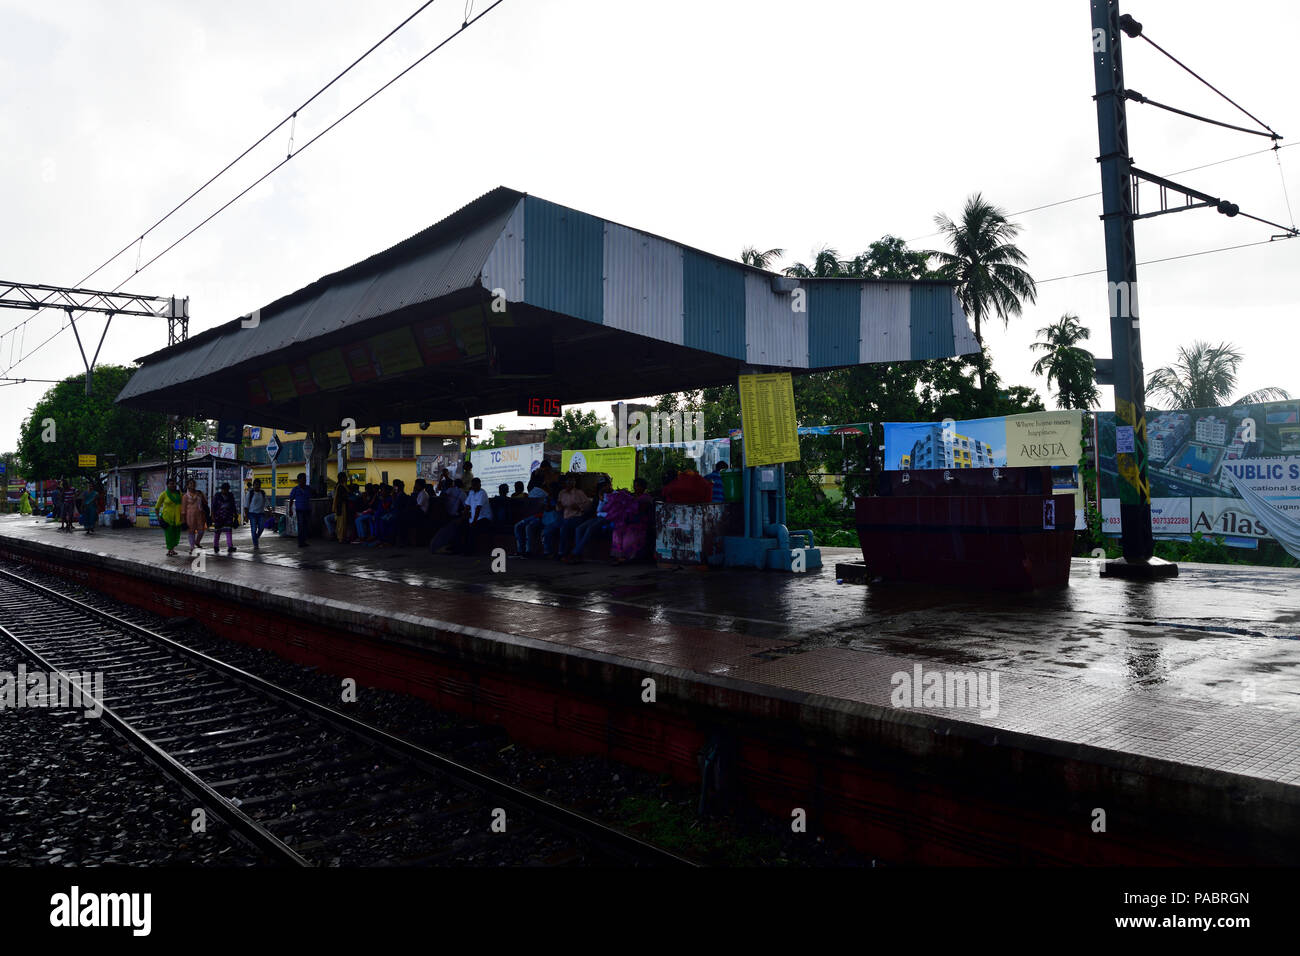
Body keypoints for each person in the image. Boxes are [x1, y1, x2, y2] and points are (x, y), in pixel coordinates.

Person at [566, 480, 614, 563]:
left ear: (609, 485)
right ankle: (579, 553)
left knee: (590, 528)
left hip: (608, 518)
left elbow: (610, 513)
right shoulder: (601, 495)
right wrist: (601, 499)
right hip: (599, 517)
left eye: (605, 486)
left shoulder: (615, 495)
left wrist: (600, 511)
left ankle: (575, 553)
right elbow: (597, 510)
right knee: (579, 529)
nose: (604, 488)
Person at [608, 477, 654, 564]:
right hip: (628, 521)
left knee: (629, 533)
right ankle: (618, 555)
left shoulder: (646, 498)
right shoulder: (631, 496)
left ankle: (626, 556)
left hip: (640, 523)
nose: (636, 488)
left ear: (643, 487)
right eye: (635, 486)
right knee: (617, 531)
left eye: (638, 486)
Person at [552, 475, 590, 559]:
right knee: (551, 528)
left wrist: (579, 507)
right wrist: (559, 506)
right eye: (569, 481)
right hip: (565, 517)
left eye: (572, 481)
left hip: (577, 517)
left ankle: (562, 552)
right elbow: (558, 508)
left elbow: (588, 505)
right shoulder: (562, 493)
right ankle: (549, 551)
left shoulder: (579, 493)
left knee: (564, 526)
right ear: (565, 483)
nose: (570, 483)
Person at [456, 477, 493, 554]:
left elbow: (478, 508)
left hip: (484, 518)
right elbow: (467, 506)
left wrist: (474, 522)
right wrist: (462, 518)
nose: (474, 487)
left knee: (472, 529)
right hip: (474, 518)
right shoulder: (471, 492)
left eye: (476, 485)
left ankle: (470, 551)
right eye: (473, 485)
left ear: (480, 485)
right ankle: (459, 549)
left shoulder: (482, 493)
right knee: (461, 526)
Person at [157, 477, 184, 556]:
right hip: (167, 518)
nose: (173, 485)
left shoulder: (179, 493)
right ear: (167, 485)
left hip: (178, 518)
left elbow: (183, 504)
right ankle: (170, 550)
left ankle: (173, 548)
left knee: (176, 535)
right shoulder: (164, 494)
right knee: (169, 535)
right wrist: (158, 517)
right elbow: (157, 506)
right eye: (171, 484)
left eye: (174, 484)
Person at [211, 481, 239, 554]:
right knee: (217, 531)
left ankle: (230, 546)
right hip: (218, 517)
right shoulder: (217, 496)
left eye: (226, 489)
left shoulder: (230, 495)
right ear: (221, 489)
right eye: (224, 489)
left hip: (228, 517)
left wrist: (235, 514)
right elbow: (213, 506)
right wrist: (213, 515)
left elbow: (233, 506)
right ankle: (216, 546)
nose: (225, 491)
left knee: (228, 531)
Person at [182, 479, 208, 553]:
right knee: (191, 532)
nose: (192, 485)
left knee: (201, 531)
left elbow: (205, 503)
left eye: (193, 484)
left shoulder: (199, 493)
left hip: (200, 515)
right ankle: (192, 547)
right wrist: (183, 520)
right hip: (190, 516)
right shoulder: (185, 496)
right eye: (190, 484)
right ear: (187, 485)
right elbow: (183, 509)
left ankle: (197, 542)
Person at [289, 472, 312, 547]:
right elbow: (291, 500)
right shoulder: (295, 489)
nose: (304, 481)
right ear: (299, 480)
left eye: (305, 479)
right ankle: (300, 542)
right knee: (301, 526)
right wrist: (290, 510)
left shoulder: (308, 488)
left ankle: (304, 541)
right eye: (303, 479)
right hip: (300, 510)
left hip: (307, 509)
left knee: (306, 526)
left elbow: (312, 496)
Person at [247, 478, 267, 551]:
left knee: (261, 528)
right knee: (253, 529)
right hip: (252, 514)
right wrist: (246, 515)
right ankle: (256, 544)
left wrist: (270, 510)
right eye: (255, 485)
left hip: (261, 513)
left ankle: (256, 538)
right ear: (253, 485)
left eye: (258, 485)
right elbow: (246, 505)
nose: (257, 486)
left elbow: (266, 502)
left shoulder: (263, 493)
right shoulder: (250, 493)